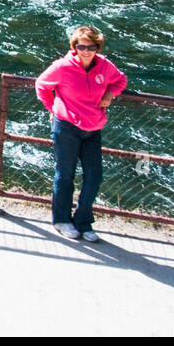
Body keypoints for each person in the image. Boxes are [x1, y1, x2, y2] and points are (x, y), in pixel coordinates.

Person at [34, 26, 127, 242]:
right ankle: (61, 220)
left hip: (93, 128)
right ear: (74, 46)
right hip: (66, 127)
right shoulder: (63, 67)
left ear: (97, 47)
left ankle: (83, 221)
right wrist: (53, 109)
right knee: (65, 175)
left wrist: (110, 92)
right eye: (81, 46)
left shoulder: (104, 66)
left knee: (94, 176)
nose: (85, 51)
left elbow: (121, 80)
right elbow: (41, 85)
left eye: (91, 47)